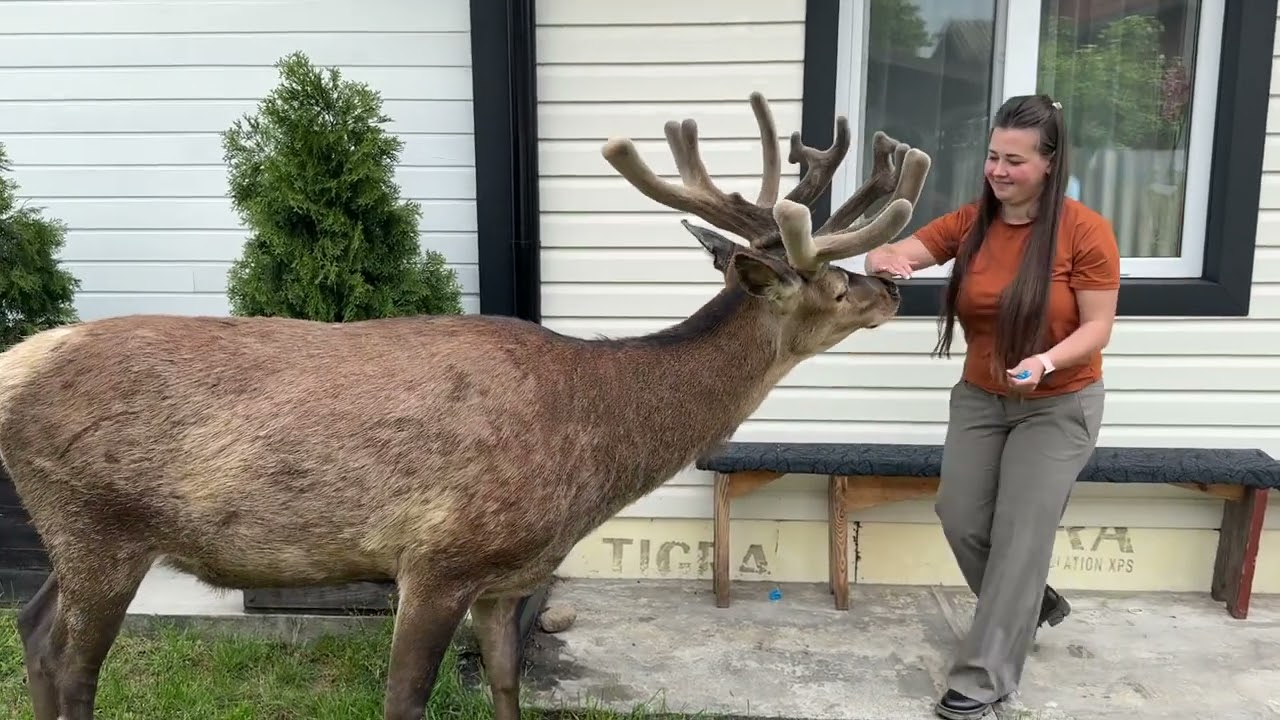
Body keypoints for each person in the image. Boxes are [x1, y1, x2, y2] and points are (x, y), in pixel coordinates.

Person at [864, 94, 1120, 719]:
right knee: (959, 514)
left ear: (1050, 164)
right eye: (992, 157)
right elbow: (892, 254)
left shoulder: (1085, 232)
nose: (998, 171)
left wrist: (1046, 361)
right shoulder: (972, 223)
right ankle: (1030, 607)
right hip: (982, 397)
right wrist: (888, 259)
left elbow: (1096, 329)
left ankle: (985, 673)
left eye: (1015, 161)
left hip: (1059, 403)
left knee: (1018, 535)